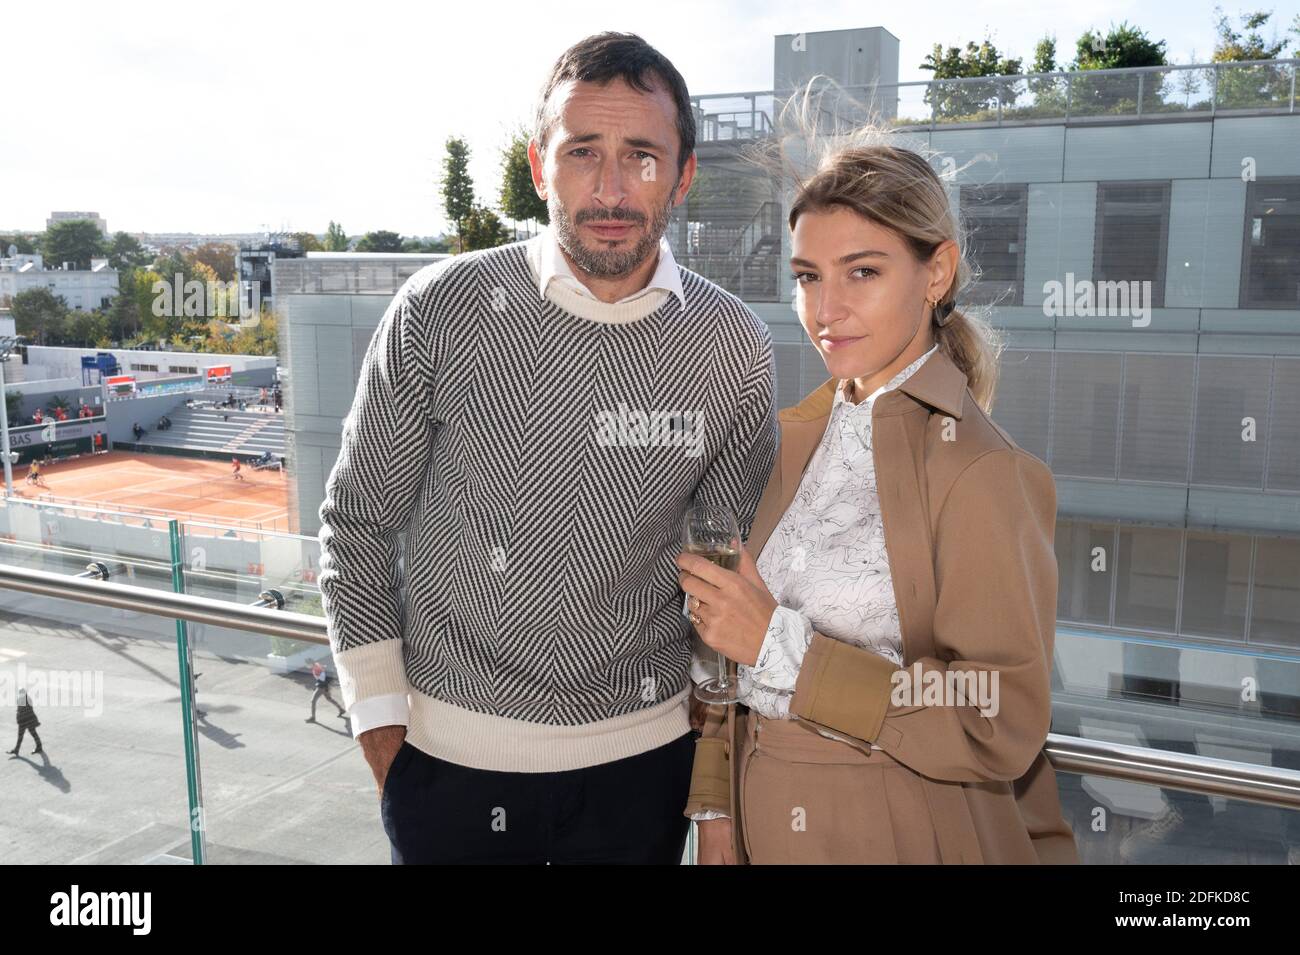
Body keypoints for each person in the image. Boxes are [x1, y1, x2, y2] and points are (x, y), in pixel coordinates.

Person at [316, 32, 777, 865]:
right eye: (582, 153)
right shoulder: (440, 308)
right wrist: (385, 733)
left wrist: (706, 768)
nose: (610, 187)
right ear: (539, 165)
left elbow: (722, 570)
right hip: (447, 774)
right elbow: (355, 525)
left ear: (683, 176)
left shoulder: (731, 345)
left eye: (642, 155)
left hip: (642, 773)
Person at [679, 106, 1078, 865]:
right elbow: (727, 664)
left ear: (936, 270)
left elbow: (998, 716)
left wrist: (780, 642)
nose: (825, 311)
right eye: (807, 277)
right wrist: (715, 816)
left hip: (896, 835)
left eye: (862, 271)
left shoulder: (983, 471)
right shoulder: (791, 439)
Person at [7, 688, 43, 756]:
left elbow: (21, 711)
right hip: (27, 720)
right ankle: (39, 746)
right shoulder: (26, 699)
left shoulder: (24, 700)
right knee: (31, 734)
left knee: (26, 735)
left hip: (25, 721)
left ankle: (17, 750)